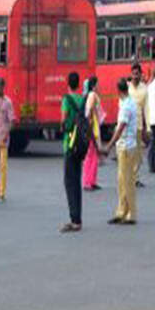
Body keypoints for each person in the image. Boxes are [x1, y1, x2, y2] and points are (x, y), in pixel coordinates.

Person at [103, 78, 141, 225]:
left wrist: (109, 145)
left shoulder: (126, 106)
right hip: (126, 146)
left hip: (126, 147)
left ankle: (131, 213)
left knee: (127, 181)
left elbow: (120, 129)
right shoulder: (128, 102)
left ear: (118, 91)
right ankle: (122, 211)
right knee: (122, 181)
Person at [59, 72, 91, 233]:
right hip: (80, 145)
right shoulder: (82, 100)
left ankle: (75, 220)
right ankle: (78, 218)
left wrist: (63, 127)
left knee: (69, 182)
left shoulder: (66, 99)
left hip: (70, 144)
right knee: (77, 181)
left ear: (68, 83)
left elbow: (64, 120)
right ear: (78, 84)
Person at [127, 63, 150, 187]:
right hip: (127, 126)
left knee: (139, 155)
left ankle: (134, 177)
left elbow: (146, 109)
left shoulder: (144, 89)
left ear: (141, 75)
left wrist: (149, 127)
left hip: (139, 126)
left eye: (137, 74)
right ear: (131, 74)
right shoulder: (127, 88)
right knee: (129, 152)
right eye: (133, 74)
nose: (135, 76)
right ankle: (132, 178)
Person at [82, 76, 106, 191]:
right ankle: (87, 182)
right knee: (90, 155)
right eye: (97, 84)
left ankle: (92, 181)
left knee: (94, 155)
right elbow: (90, 110)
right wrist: (91, 125)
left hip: (94, 127)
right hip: (92, 128)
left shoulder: (93, 95)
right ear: (93, 85)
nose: (99, 86)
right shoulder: (92, 95)